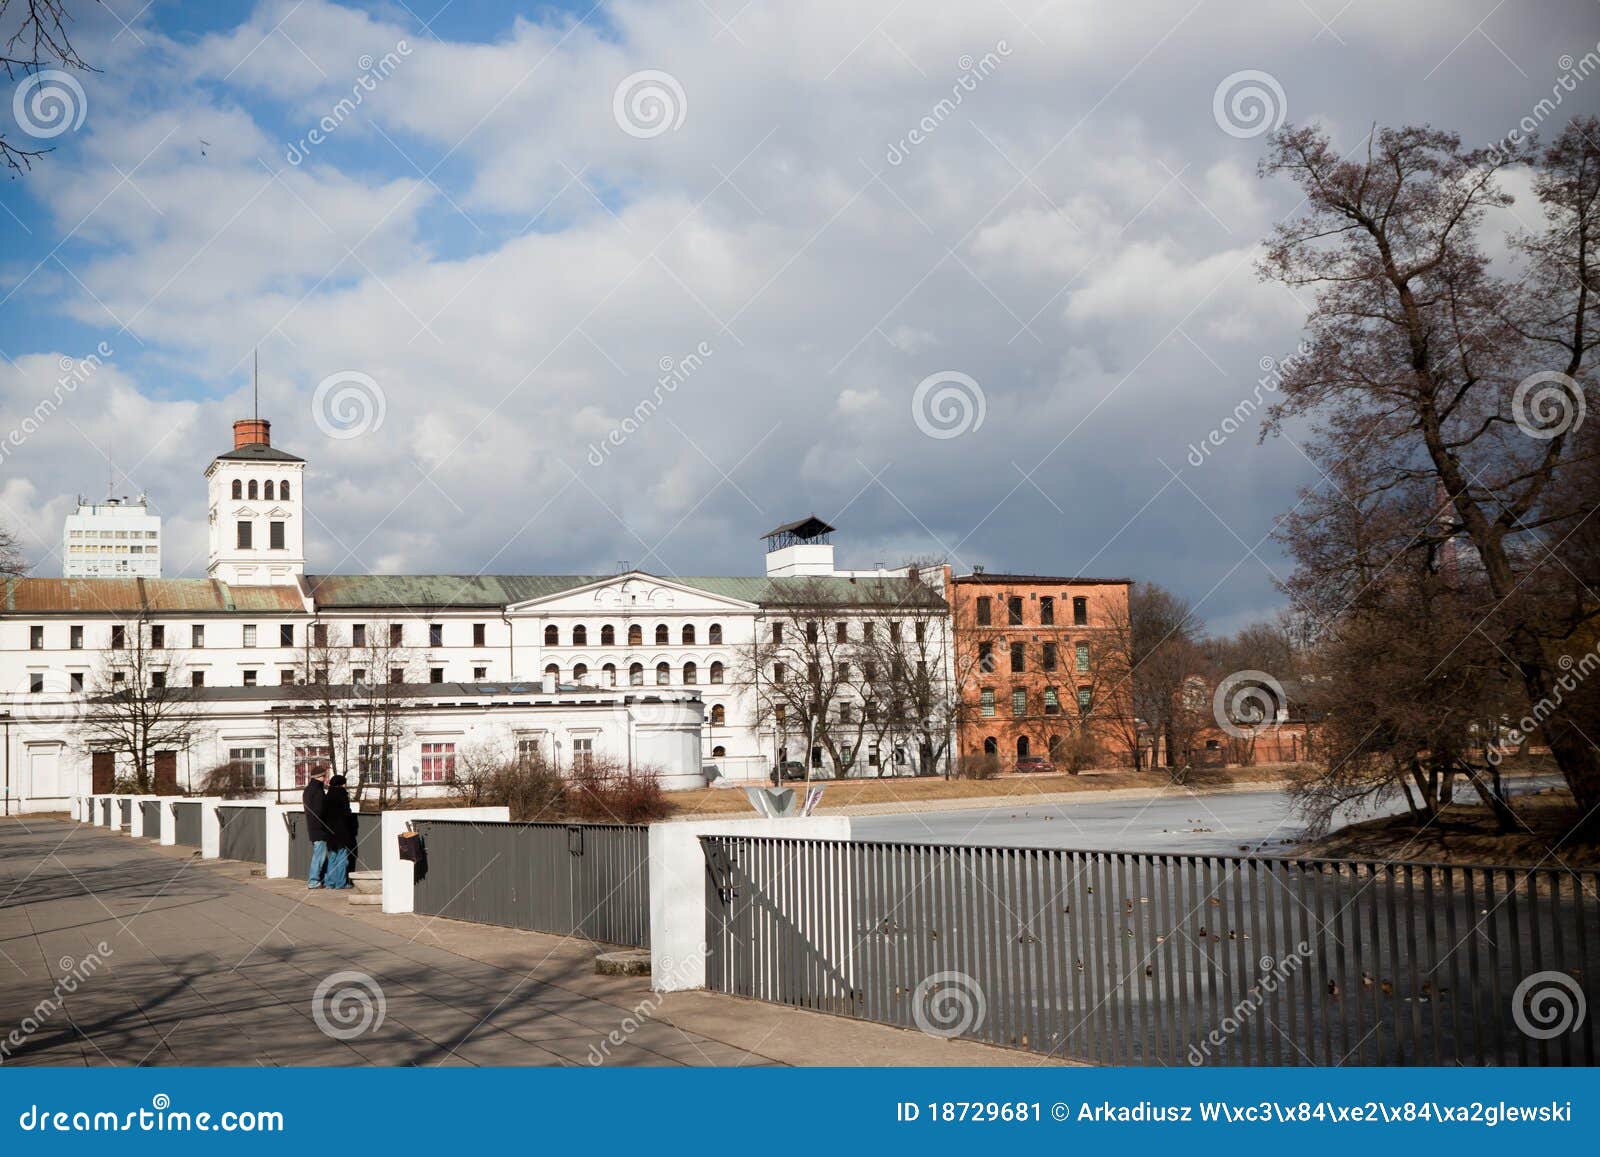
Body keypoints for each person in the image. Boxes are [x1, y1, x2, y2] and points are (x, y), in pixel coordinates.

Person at [322, 773, 357, 890]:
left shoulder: (327, 796)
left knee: (332, 856)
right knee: (342, 857)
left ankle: (329, 882)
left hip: (330, 831)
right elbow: (347, 813)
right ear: (341, 784)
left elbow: (324, 814)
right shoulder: (342, 795)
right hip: (341, 831)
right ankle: (340, 883)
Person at [302, 767, 333, 889]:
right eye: (325, 776)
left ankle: (316, 879)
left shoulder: (308, 790)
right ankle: (313, 881)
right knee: (319, 856)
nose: (326, 778)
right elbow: (320, 811)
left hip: (313, 827)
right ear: (320, 776)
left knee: (318, 855)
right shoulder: (318, 791)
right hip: (320, 829)